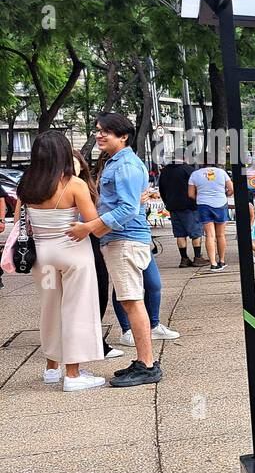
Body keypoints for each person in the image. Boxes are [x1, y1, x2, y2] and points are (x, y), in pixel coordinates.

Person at [68, 114, 160, 387]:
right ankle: (145, 361)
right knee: (130, 300)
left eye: (106, 132)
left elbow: (129, 209)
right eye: (98, 130)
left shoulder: (125, 166)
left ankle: (147, 365)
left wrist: (90, 227)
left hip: (125, 240)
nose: (100, 135)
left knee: (132, 301)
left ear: (124, 136)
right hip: (120, 239)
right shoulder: (117, 163)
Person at [16, 131, 107, 390]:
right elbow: (93, 223)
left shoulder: (27, 183)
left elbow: (20, 221)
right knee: (77, 309)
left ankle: (51, 369)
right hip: (73, 251)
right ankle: (74, 375)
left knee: (50, 309)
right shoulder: (73, 184)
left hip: (41, 256)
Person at [188, 161, 234, 273]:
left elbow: (190, 194)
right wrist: (224, 195)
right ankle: (222, 261)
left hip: (203, 206)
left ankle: (213, 263)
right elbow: (231, 189)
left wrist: (201, 198)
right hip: (220, 204)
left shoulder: (195, 174)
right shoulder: (222, 172)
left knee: (210, 235)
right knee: (221, 235)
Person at [157, 158, 203, 265]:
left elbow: (161, 190)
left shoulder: (164, 171)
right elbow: (197, 187)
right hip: (190, 206)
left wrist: (167, 202)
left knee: (180, 234)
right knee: (196, 233)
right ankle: (197, 257)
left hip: (173, 207)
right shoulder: (189, 170)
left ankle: (184, 259)